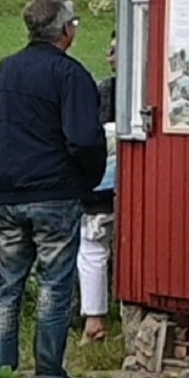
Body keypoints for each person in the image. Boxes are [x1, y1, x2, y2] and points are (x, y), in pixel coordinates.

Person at [0, 0, 107, 378]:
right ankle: (49, 373)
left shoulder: (3, 72)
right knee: (53, 285)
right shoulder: (71, 75)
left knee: (6, 287)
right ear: (65, 30)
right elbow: (84, 139)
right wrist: (87, 180)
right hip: (54, 194)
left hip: (6, 196)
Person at [77, 34, 118, 342]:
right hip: (107, 186)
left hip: (100, 185)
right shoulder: (104, 90)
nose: (109, 56)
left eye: (114, 50)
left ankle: (95, 318)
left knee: (92, 248)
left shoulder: (105, 92)